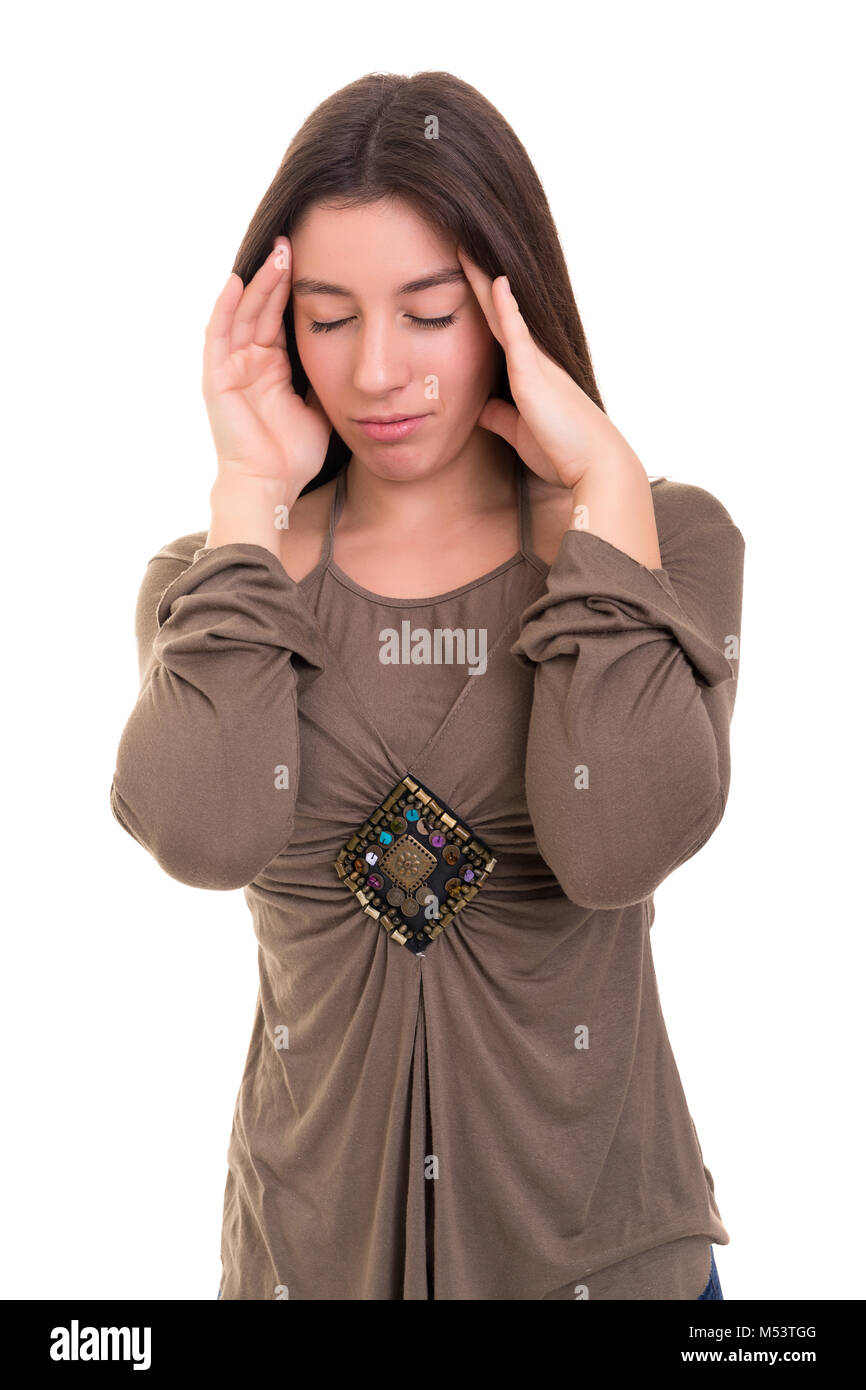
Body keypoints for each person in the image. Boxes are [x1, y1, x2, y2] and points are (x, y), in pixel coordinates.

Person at [110, 71, 743, 1300]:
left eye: (429, 311)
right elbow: (201, 832)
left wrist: (602, 497)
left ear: (509, 307)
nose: (379, 370)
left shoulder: (669, 542)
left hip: (602, 1273)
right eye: (331, 317)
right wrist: (247, 503)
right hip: (308, 1266)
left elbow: (616, 844)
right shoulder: (213, 584)